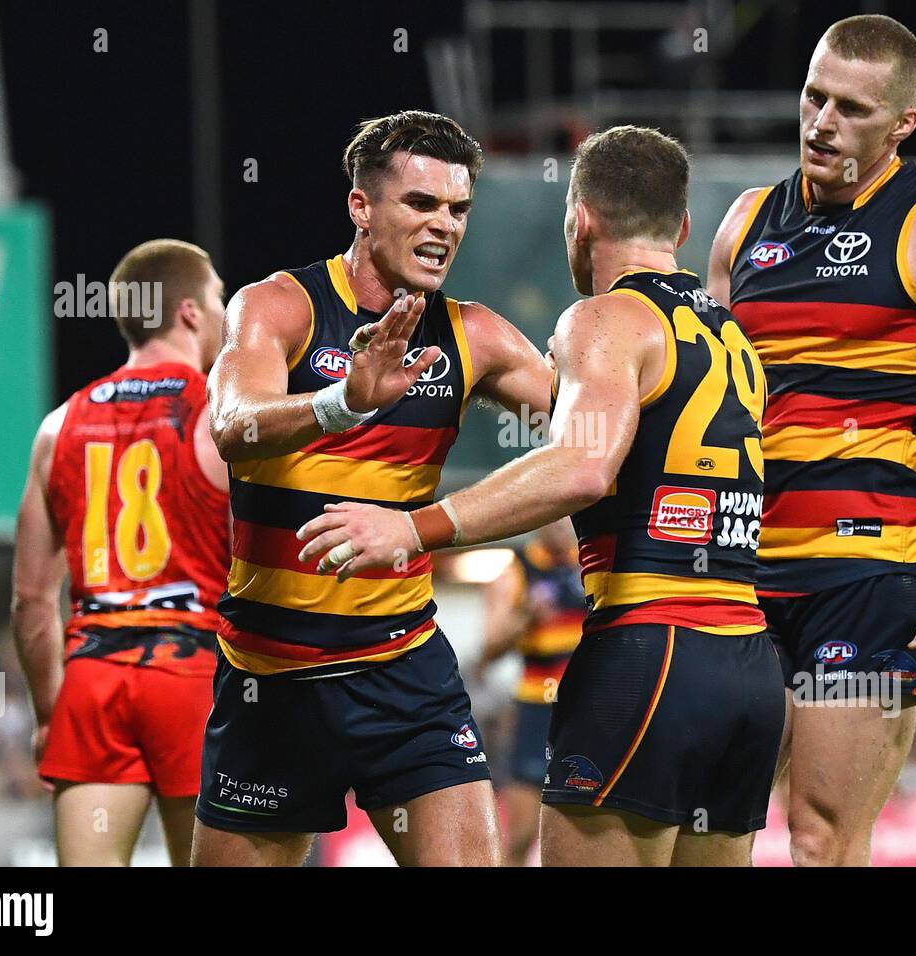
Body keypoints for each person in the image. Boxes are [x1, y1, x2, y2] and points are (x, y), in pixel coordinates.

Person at [298, 125, 785, 867]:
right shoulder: (733, 339)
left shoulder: (603, 318)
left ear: (579, 219)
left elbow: (582, 466)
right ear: (682, 227)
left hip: (648, 652)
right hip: (748, 668)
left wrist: (414, 527)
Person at [707, 14, 916, 865]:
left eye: (851, 109)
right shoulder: (744, 225)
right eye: (814, 96)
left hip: (872, 572)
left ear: (902, 124)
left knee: (821, 838)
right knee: (710, 826)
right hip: (741, 573)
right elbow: (705, 407)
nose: (821, 124)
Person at [191, 111, 552, 867]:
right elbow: (230, 427)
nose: (444, 227)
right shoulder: (278, 306)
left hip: (404, 675)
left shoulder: (474, 336)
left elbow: (591, 431)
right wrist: (341, 403)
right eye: (421, 205)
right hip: (270, 685)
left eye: (458, 210)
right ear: (362, 207)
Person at [12, 239, 229, 865]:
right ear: (189, 312)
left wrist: (52, 712)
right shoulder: (219, 414)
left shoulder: (58, 426)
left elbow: (30, 601)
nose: (223, 312)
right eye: (216, 297)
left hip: (95, 678)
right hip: (193, 673)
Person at [478, 518, 584, 865]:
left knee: (586, 832)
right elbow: (490, 648)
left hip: (586, 709)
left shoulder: (588, 561)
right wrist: (526, 613)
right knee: (521, 835)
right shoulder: (516, 569)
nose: (563, 525)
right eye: (555, 517)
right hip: (536, 710)